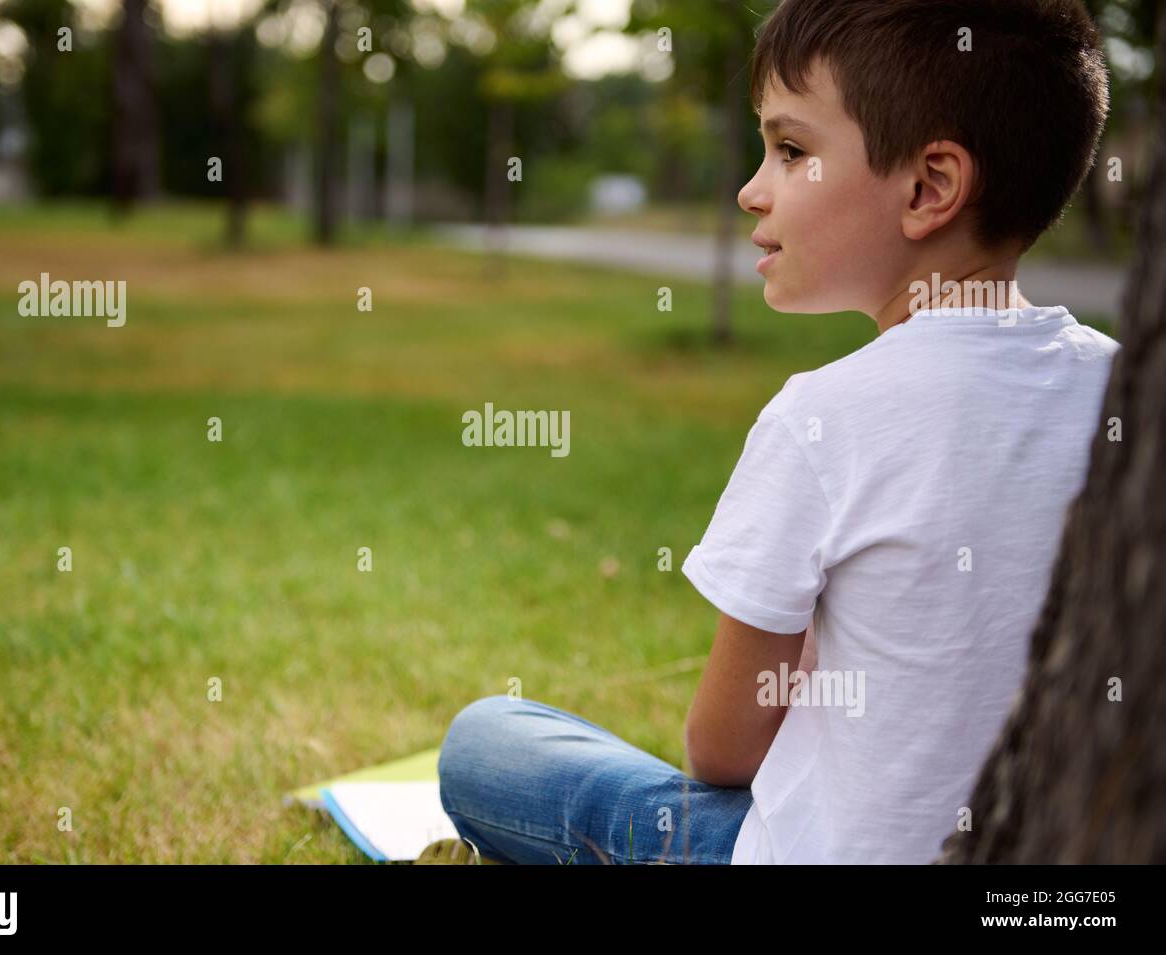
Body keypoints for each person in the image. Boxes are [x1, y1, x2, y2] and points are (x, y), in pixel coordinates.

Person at [437, 0, 1120, 864]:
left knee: (489, 742)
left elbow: (721, 752)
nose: (752, 187)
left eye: (792, 151)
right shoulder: (1124, 389)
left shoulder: (822, 416)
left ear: (929, 187)